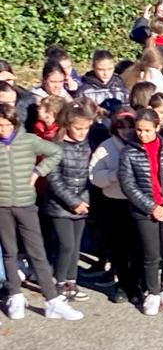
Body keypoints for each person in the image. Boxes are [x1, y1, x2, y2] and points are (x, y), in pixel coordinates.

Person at [0, 103, 83, 320]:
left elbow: (55, 152)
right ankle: (15, 295)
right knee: (9, 252)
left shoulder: (28, 140)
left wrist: (38, 171)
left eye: (7, 125)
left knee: (37, 252)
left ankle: (52, 300)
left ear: (15, 123)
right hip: (2, 207)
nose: (3, 130)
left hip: (26, 205)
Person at [118, 107, 163, 316]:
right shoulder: (129, 152)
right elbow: (128, 184)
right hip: (144, 211)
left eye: (147, 130)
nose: (142, 134)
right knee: (150, 255)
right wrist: (151, 207)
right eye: (139, 130)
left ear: (157, 127)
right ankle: (153, 291)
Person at [89, 109, 143, 304]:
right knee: (119, 247)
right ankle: (122, 283)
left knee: (138, 246)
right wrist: (113, 175)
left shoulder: (140, 144)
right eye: (122, 127)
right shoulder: (105, 147)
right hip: (114, 202)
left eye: (131, 127)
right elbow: (94, 176)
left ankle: (136, 282)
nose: (127, 131)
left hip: (137, 201)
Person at [46, 100, 97, 302]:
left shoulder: (87, 145)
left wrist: (83, 201)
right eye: (78, 128)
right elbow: (54, 179)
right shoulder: (55, 146)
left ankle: (72, 281)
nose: (82, 132)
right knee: (66, 245)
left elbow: (90, 175)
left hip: (82, 204)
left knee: (75, 246)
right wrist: (73, 201)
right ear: (67, 125)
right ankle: (60, 283)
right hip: (60, 206)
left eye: (86, 128)